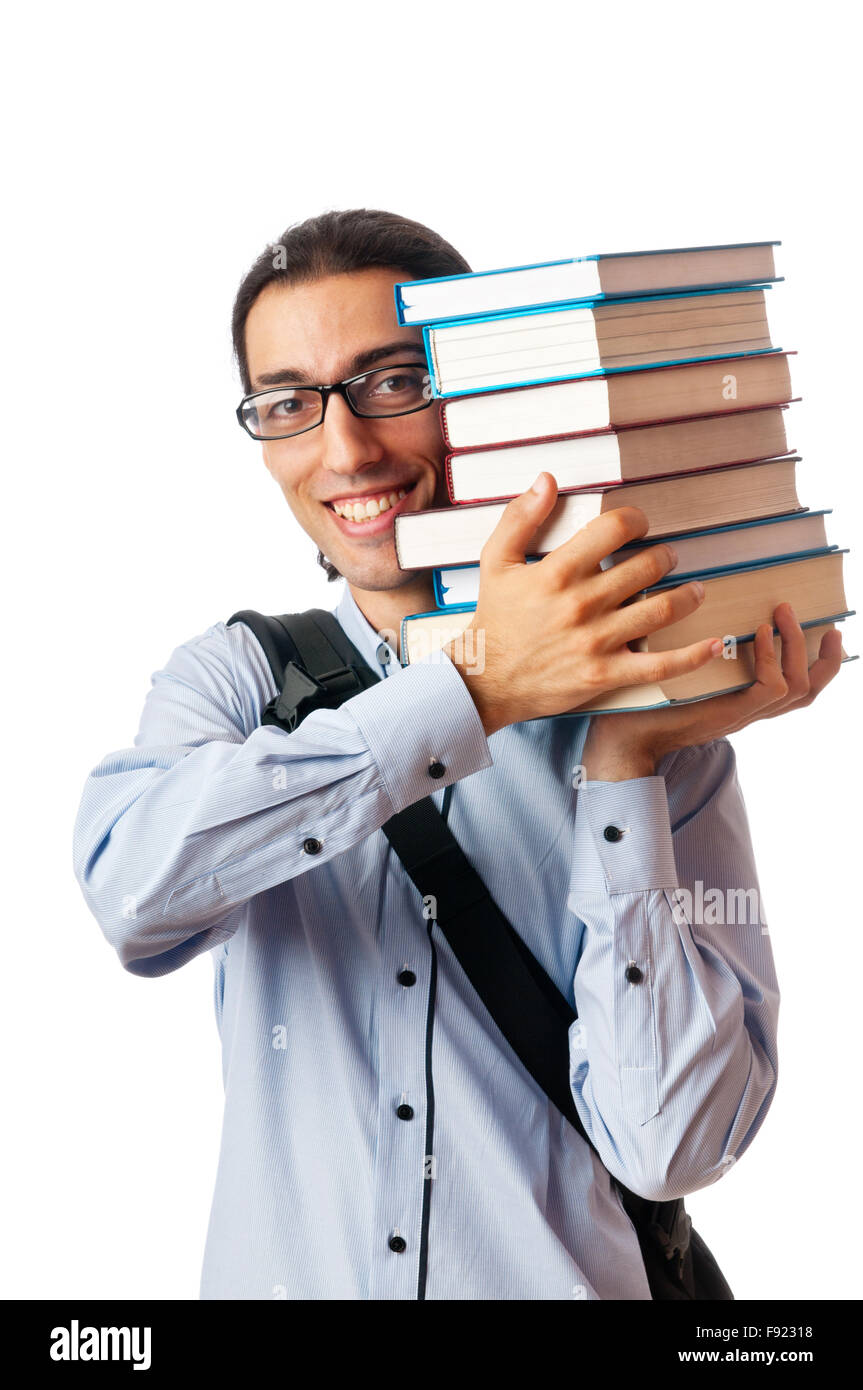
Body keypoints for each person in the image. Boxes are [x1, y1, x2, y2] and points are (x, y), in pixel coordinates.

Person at [72, 208, 842, 1300]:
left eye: (392, 381)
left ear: (480, 393)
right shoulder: (234, 681)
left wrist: (621, 759)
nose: (345, 450)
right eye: (289, 403)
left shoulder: (654, 713)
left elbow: (670, 1145)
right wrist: (474, 691)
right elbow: (133, 888)